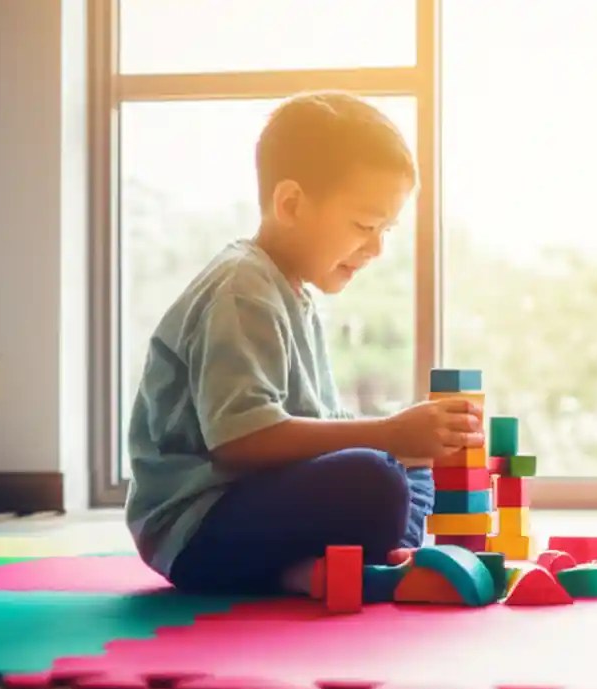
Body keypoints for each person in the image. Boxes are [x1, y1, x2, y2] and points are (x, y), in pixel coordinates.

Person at [126, 92, 484, 594]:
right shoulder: (242, 289)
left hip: (259, 504)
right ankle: (340, 568)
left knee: (406, 467)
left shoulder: (292, 292)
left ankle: (384, 563)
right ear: (291, 203)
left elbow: (312, 427)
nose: (377, 247)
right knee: (376, 474)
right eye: (364, 225)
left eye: (386, 229)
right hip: (198, 529)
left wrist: (408, 442)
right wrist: (387, 434)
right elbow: (241, 442)